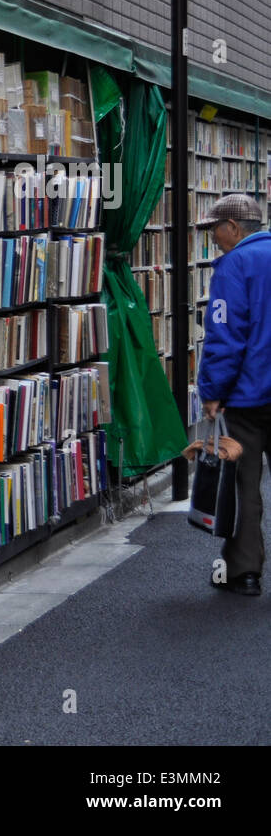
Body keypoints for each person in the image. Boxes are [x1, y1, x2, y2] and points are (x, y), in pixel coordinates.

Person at [198, 193, 271, 596]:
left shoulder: (233, 266)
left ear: (235, 228)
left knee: (245, 485)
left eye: (215, 230)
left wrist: (213, 391)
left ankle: (244, 573)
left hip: (247, 397)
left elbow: (225, 338)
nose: (213, 239)